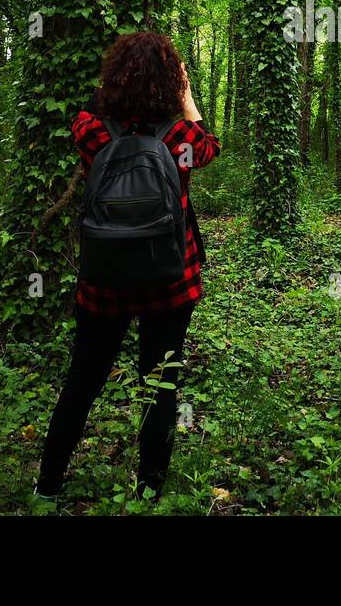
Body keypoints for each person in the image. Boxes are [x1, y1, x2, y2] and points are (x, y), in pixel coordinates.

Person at [36, 31, 220, 500]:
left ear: (114, 78)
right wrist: (187, 98)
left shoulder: (90, 129)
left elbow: (90, 114)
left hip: (105, 283)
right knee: (162, 385)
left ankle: (48, 487)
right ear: (169, 82)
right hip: (170, 281)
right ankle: (149, 493)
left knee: (82, 381)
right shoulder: (179, 136)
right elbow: (208, 147)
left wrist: (113, 89)